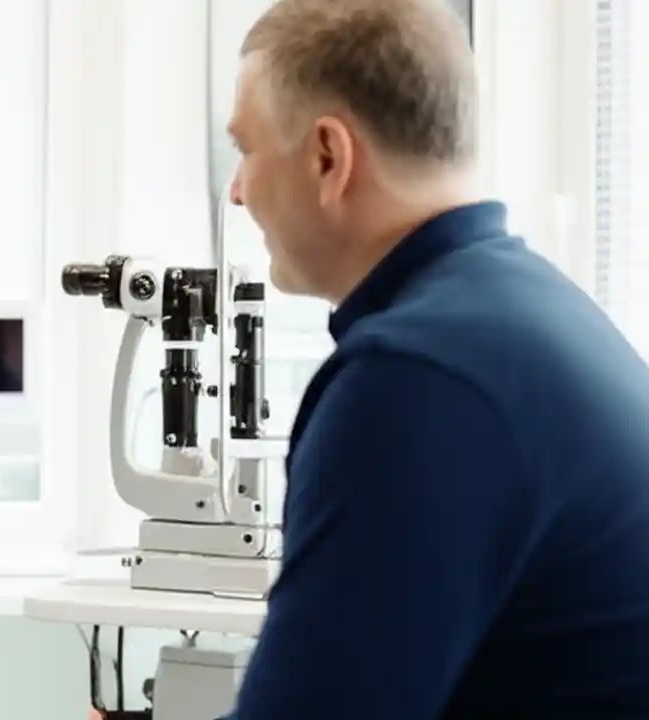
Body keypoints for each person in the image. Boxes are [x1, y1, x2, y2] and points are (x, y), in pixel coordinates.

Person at [216, 0, 649, 717]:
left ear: (330, 157)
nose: (236, 191)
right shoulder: (533, 317)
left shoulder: (414, 379)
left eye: (247, 148)